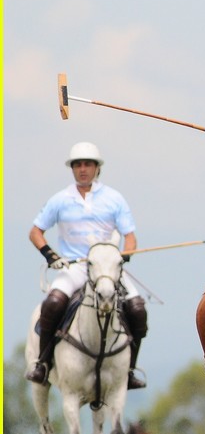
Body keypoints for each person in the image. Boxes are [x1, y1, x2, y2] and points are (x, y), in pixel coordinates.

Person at [27, 142, 148, 390]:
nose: (83, 169)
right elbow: (35, 232)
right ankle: (43, 363)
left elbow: (131, 237)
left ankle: (130, 370)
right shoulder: (60, 199)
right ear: (72, 168)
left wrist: (122, 256)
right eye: (78, 165)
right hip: (74, 267)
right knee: (52, 304)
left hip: (107, 270)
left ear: (97, 168)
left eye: (88, 164)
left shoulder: (114, 198)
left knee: (137, 309)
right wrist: (50, 255)